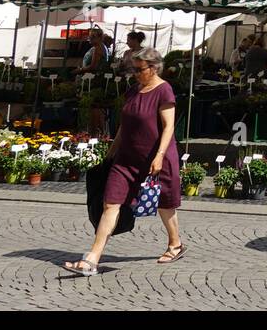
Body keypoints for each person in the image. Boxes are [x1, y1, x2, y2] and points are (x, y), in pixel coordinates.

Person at [63, 48, 184, 275]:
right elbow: (122, 127)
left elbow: (169, 127)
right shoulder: (132, 91)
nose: (135, 74)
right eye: (134, 69)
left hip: (155, 158)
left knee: (165, 204)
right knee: (110, 203)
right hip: (126, 159)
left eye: (139, 70)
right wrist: (110, 155)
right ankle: (92, 258)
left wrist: (159, 156)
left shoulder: (164, 90)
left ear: (154, 67)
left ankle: (175, 243)